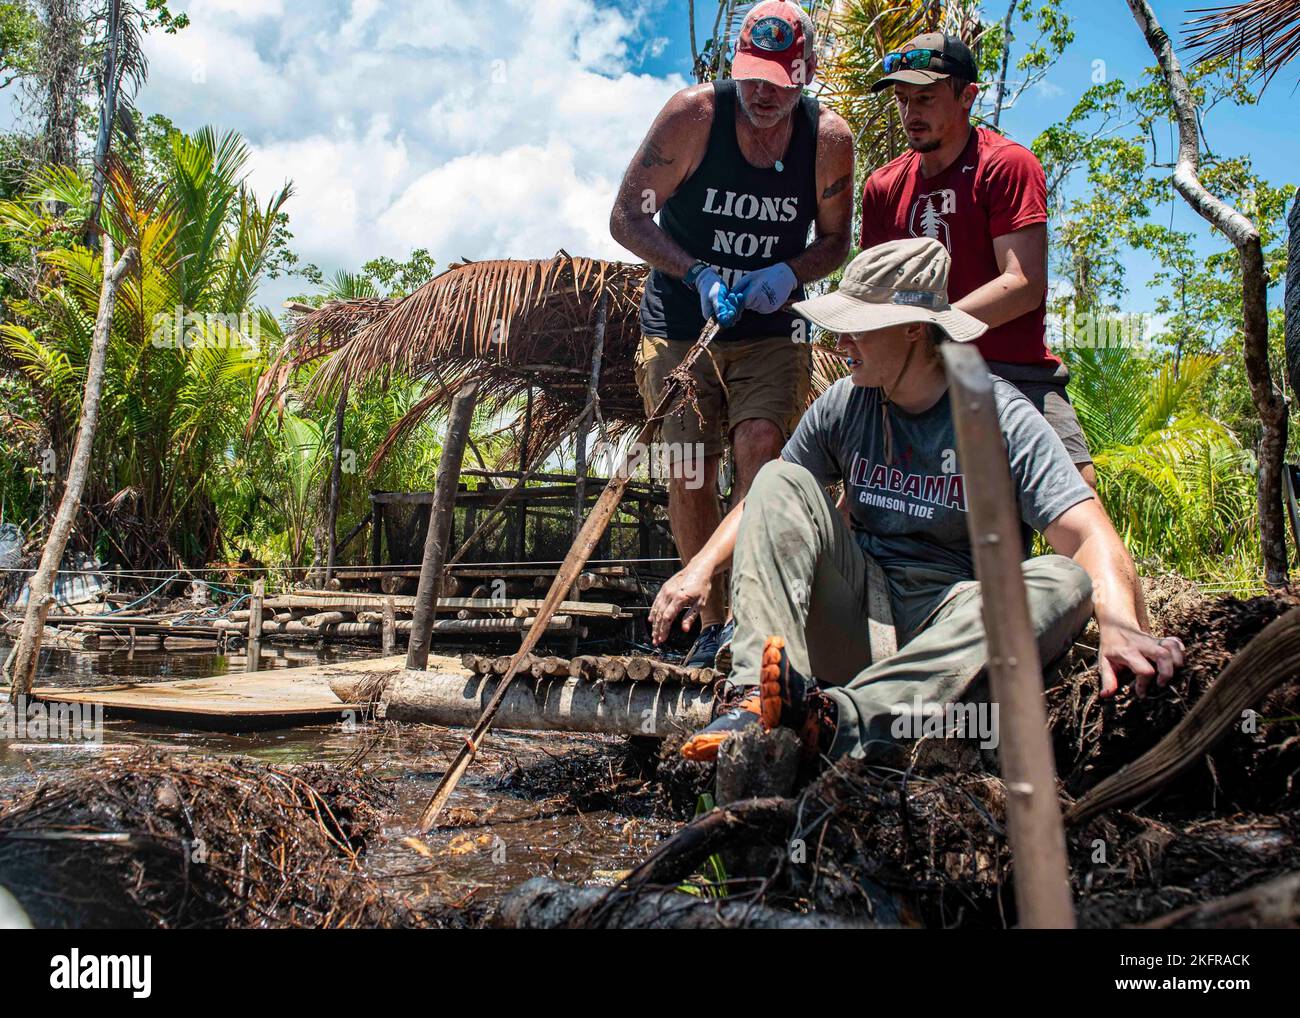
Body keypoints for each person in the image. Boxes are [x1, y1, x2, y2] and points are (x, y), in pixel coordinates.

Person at [646, 238, 1182, 763]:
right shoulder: (845, 403)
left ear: (912, 330)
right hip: (859, 610)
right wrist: (699, 569)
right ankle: (751, 700)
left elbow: (1089, 535)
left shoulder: (1000, 415)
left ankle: (834, 720)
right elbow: (768, 499)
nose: (840, 344)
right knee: (775, 479)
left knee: (1063, 581)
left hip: (954, 630)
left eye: (857, 329)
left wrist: (1120, 624)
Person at [610, 0, 855, 667]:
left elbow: (836, 241)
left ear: (806, 74)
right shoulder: (692, 117)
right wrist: (694, 272)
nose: (763, 93)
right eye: (753, 76)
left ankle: (753, 616)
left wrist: (787, 271)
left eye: (780, 80)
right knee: (691, 469)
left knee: (761, 445)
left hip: (769, 325)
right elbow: (625, 221)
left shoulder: (827, 140)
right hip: (681, 324)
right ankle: (709, 622)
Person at [859, 33, 1098, 488]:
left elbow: (1023, 284)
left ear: (967, 96)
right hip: (916, 373)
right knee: (859, 488)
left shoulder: (1006, 166)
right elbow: (874, 293)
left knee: (1079, 487)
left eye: (926, 98)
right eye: (903, 99)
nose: (912, 113)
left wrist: (931, 326)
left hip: (1011, 370)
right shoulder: (883, 187)